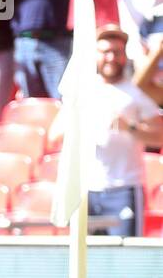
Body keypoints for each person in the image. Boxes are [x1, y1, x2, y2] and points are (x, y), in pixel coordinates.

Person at [48, 27, 163, 238]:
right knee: (89, 258)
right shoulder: (82, 90)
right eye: (105, 52)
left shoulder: (136, 92)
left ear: (124, 55)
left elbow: (159, 135)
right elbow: (54, 135)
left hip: (124, 187)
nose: (111, 58)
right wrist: (80, 120)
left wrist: (129, 127)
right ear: (95, 54)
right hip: (87, 189)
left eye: (117, 52)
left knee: (125, 257)